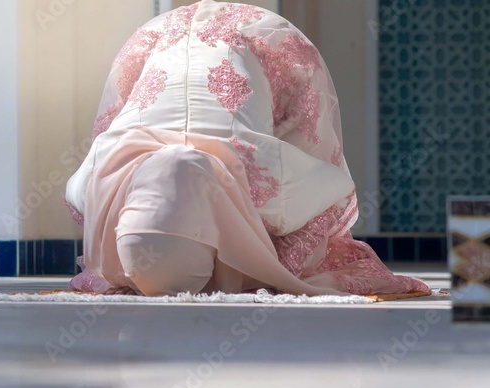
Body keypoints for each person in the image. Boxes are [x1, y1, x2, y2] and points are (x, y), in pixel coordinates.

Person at [65, 0, 430, 298]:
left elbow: (334, 187)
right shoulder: (99, 180)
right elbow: (335, 185)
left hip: (259, 39)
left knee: (293, 187)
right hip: (166, 36)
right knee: (295, 189)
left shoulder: (99, 178)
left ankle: (231, 247)